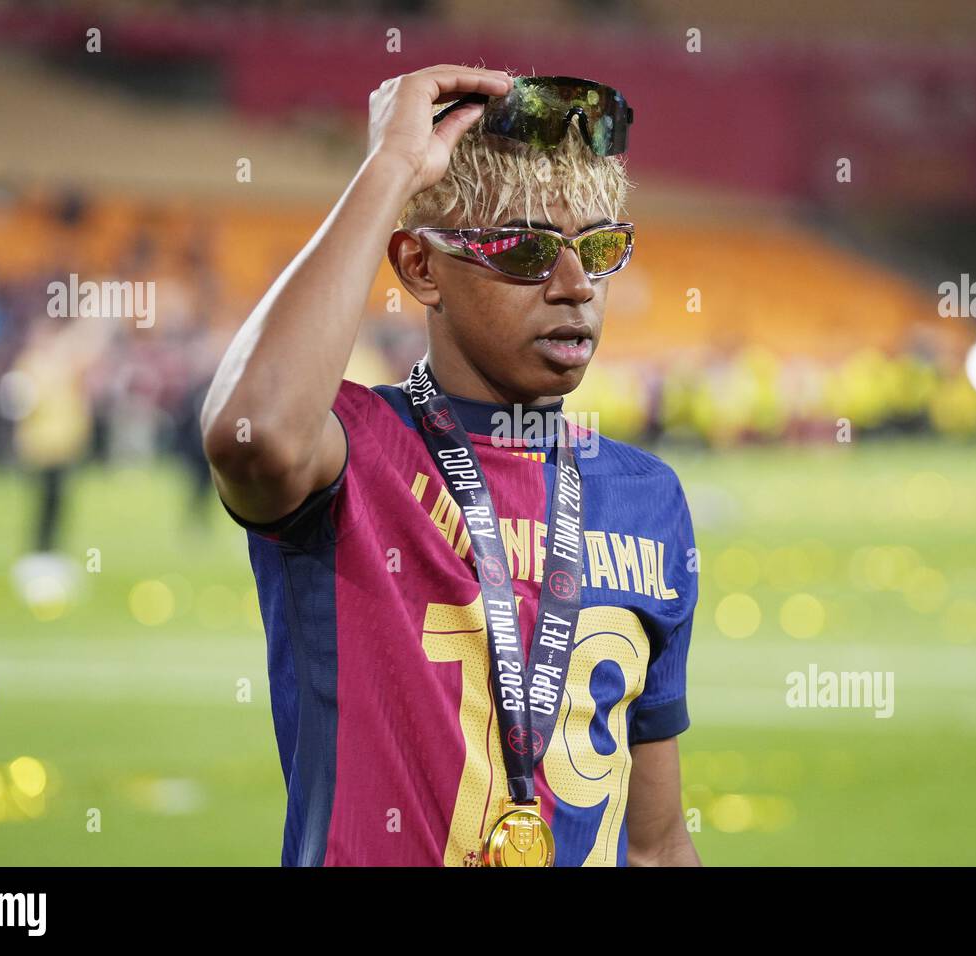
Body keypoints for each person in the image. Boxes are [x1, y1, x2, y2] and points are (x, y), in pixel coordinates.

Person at [202, 65, 700, 867]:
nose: (575, 286)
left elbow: (657, 846)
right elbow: (252, 433)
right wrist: (392, 168)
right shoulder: (358, 452)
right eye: (527, 250)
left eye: (600, 248)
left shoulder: (648, 496)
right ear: (421, 269)